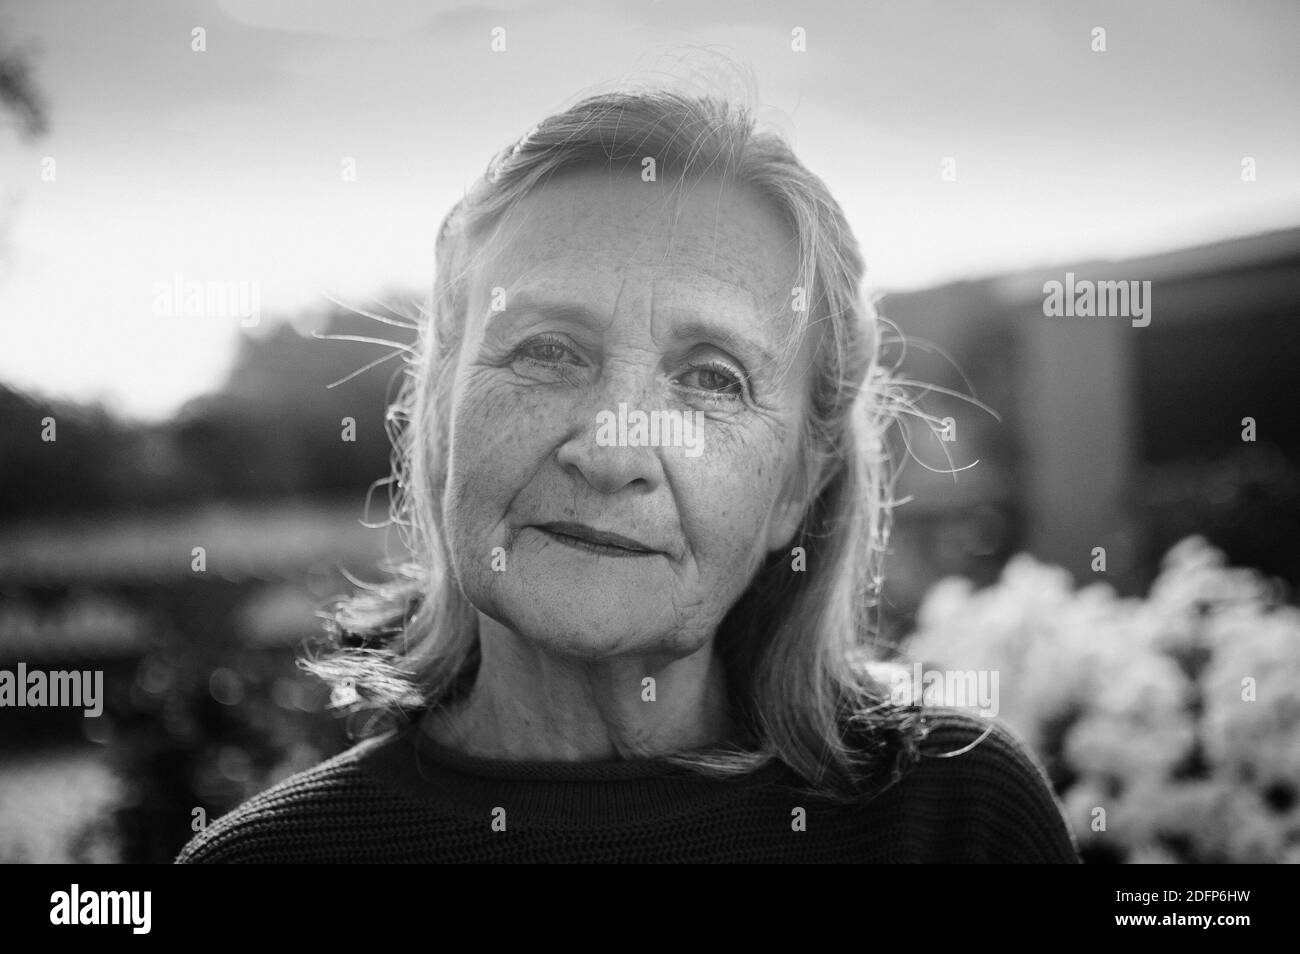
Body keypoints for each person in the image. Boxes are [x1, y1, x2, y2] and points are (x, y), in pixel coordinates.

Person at [177, 85, 1080, 863]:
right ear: (440, 415)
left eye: (711, 379)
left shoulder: (958, 820)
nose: (610, 453)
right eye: (547, 351)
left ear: (797, 487)